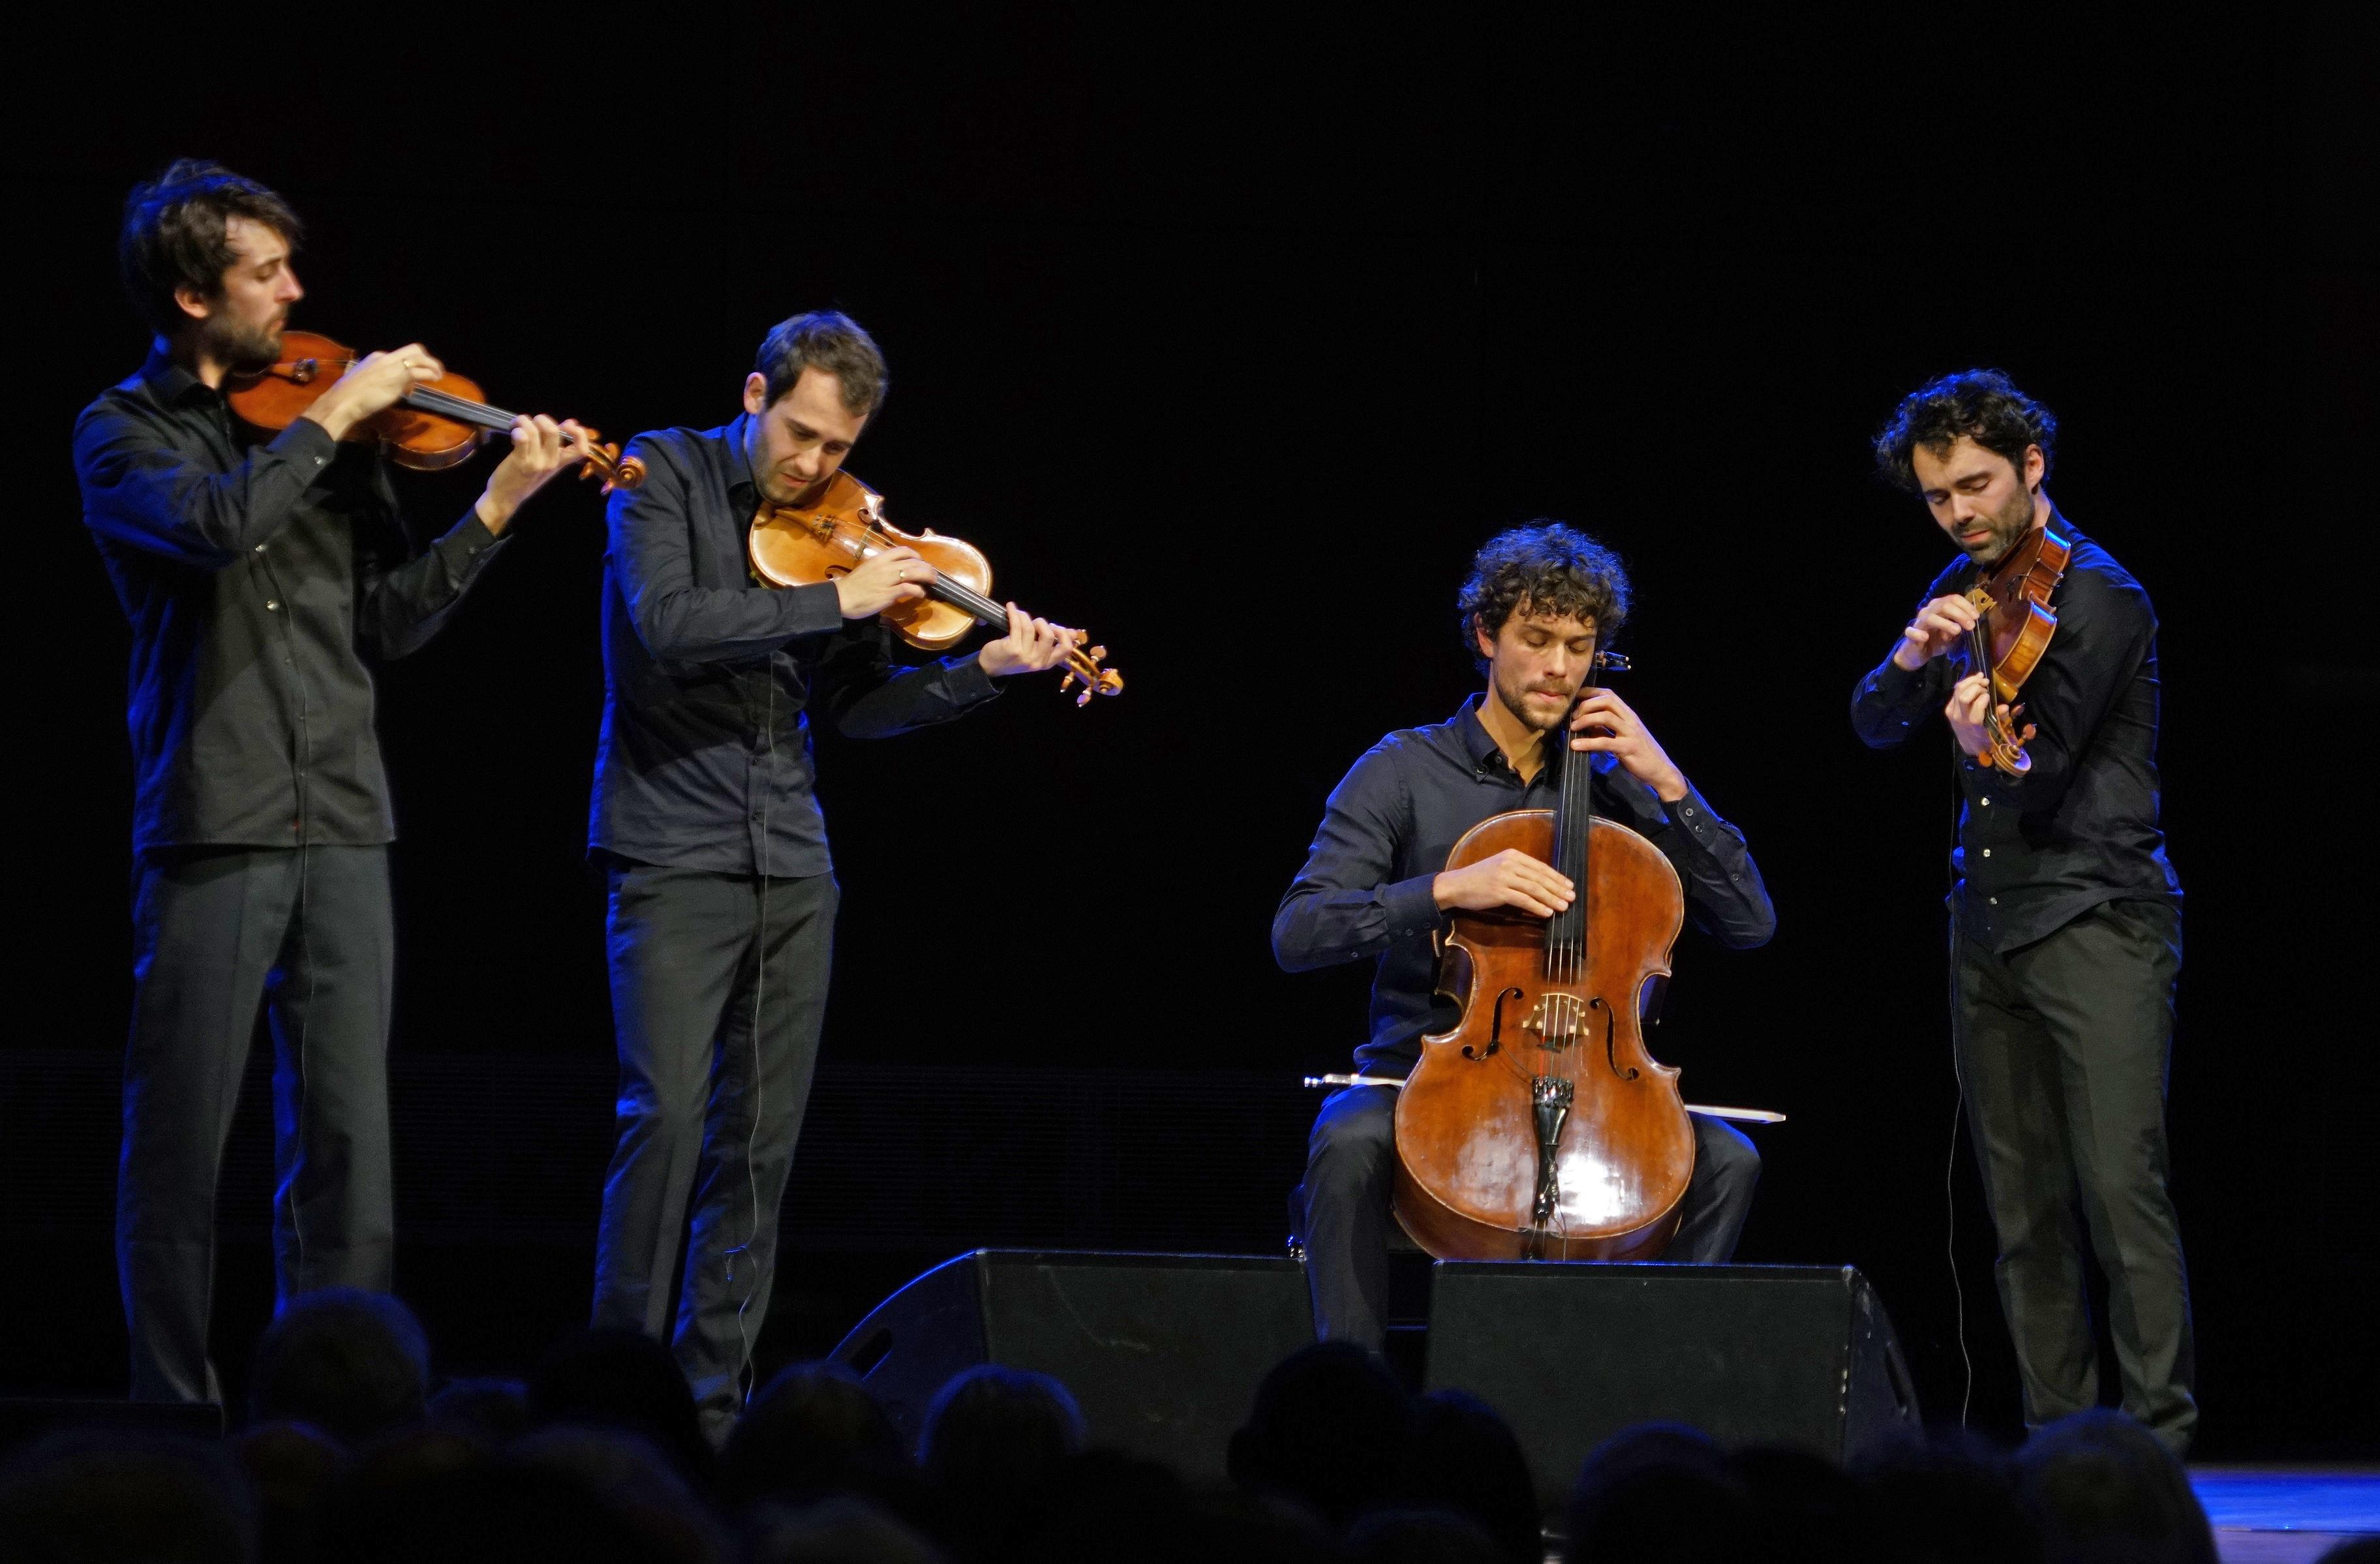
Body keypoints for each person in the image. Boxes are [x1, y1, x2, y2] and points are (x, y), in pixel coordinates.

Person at [75, 159, 587, 1405]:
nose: (297, 293)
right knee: (181, 1139)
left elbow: (390, 625)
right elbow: (213, 529)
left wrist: (498, 507)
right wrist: (331, 416)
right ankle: (172, 1409)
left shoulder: (334, 444)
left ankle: (336, 1407)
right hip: (215, 824)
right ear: (195, 296)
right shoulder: (121, 432)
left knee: (350, 1145)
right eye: (266, 274)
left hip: (348, 822)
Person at [588, 311, 1079, 1443]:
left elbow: (860, 709)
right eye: (799, 435)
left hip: (791, 856)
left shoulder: (838, 526)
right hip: (668, 842)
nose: (813, 467)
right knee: (660, 1121)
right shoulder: (657, 470)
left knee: (756, 1145)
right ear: (756, 393)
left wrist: (984, 672)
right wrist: (832, 602)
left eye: (836, 450)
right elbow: (665, 624)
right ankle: (612, 1398)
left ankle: (712, 1411)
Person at [1275, 524, 1776, 1349]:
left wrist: (1669, 783)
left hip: (1600, 1082)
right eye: (1536, 640)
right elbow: (1299, 931)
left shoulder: (1618, 783)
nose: (1559, 668)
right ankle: (1349, 1395)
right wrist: (1445, 890)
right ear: (1486, 636)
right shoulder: (1401, 769)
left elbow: (1751, 923)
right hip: (1426, 1081)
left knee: (1730, 1160)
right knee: (1345, 1142)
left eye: (1580, 647)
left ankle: (1641, 1377)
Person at [1851, 368, 2193, 1454]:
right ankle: (2057, 1444)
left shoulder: (2099, 596)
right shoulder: (1964, 587)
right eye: (1937, 496)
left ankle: (2154, 1445)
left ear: (2030, 467)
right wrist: (1911, 656)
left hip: (2098, 919)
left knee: (2114, 1195)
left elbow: (2037, 770)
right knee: (2021, 1212)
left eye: (1974, 485)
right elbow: (1868, 721)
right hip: (1989, 928)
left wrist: (1978, 743)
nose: (1957, 512)